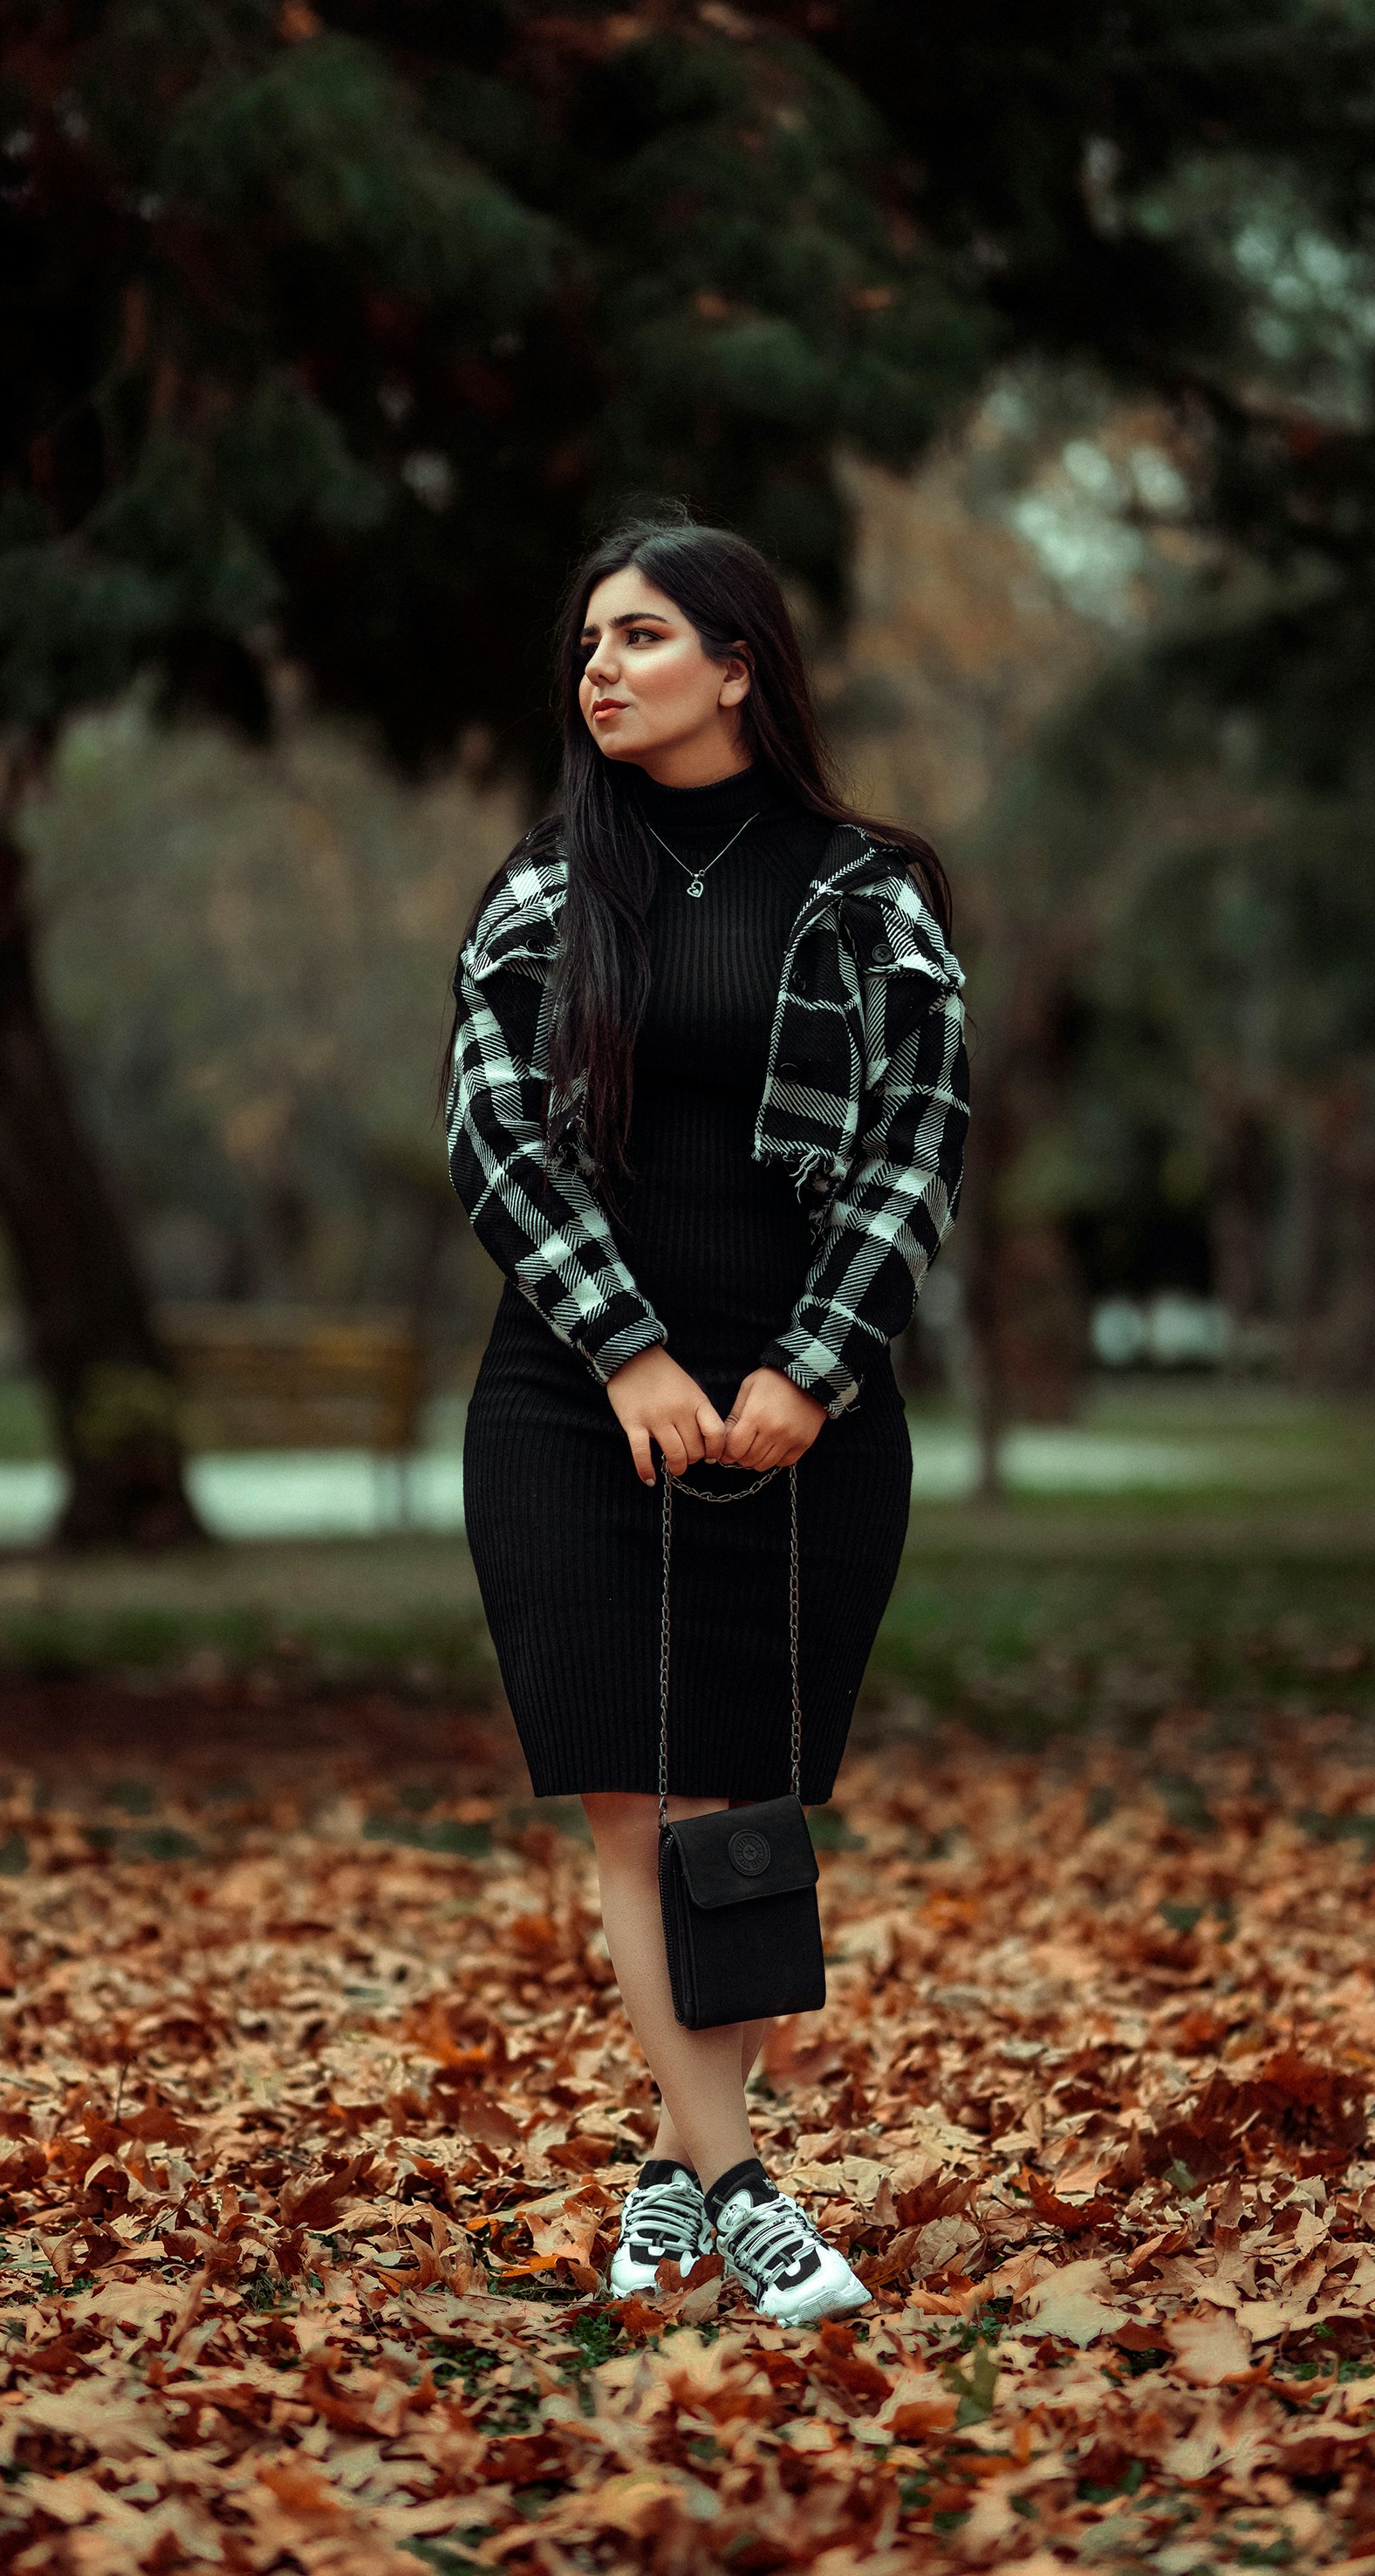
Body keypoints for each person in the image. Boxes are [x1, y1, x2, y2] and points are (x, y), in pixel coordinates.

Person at [445, 510, 968, 2327]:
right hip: (572, 1400)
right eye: (588, 639)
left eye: (643, 635)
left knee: (738, 1812)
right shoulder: (539, 891)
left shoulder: (869, 889)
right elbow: (493, 1142)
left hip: (804, 1404)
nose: (600, 666)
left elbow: (916, 1146)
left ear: (737, 665)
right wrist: (629, 1356)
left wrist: (811, 1369)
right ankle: (742, 2190)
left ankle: (671, 2169)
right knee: (634, 1801)